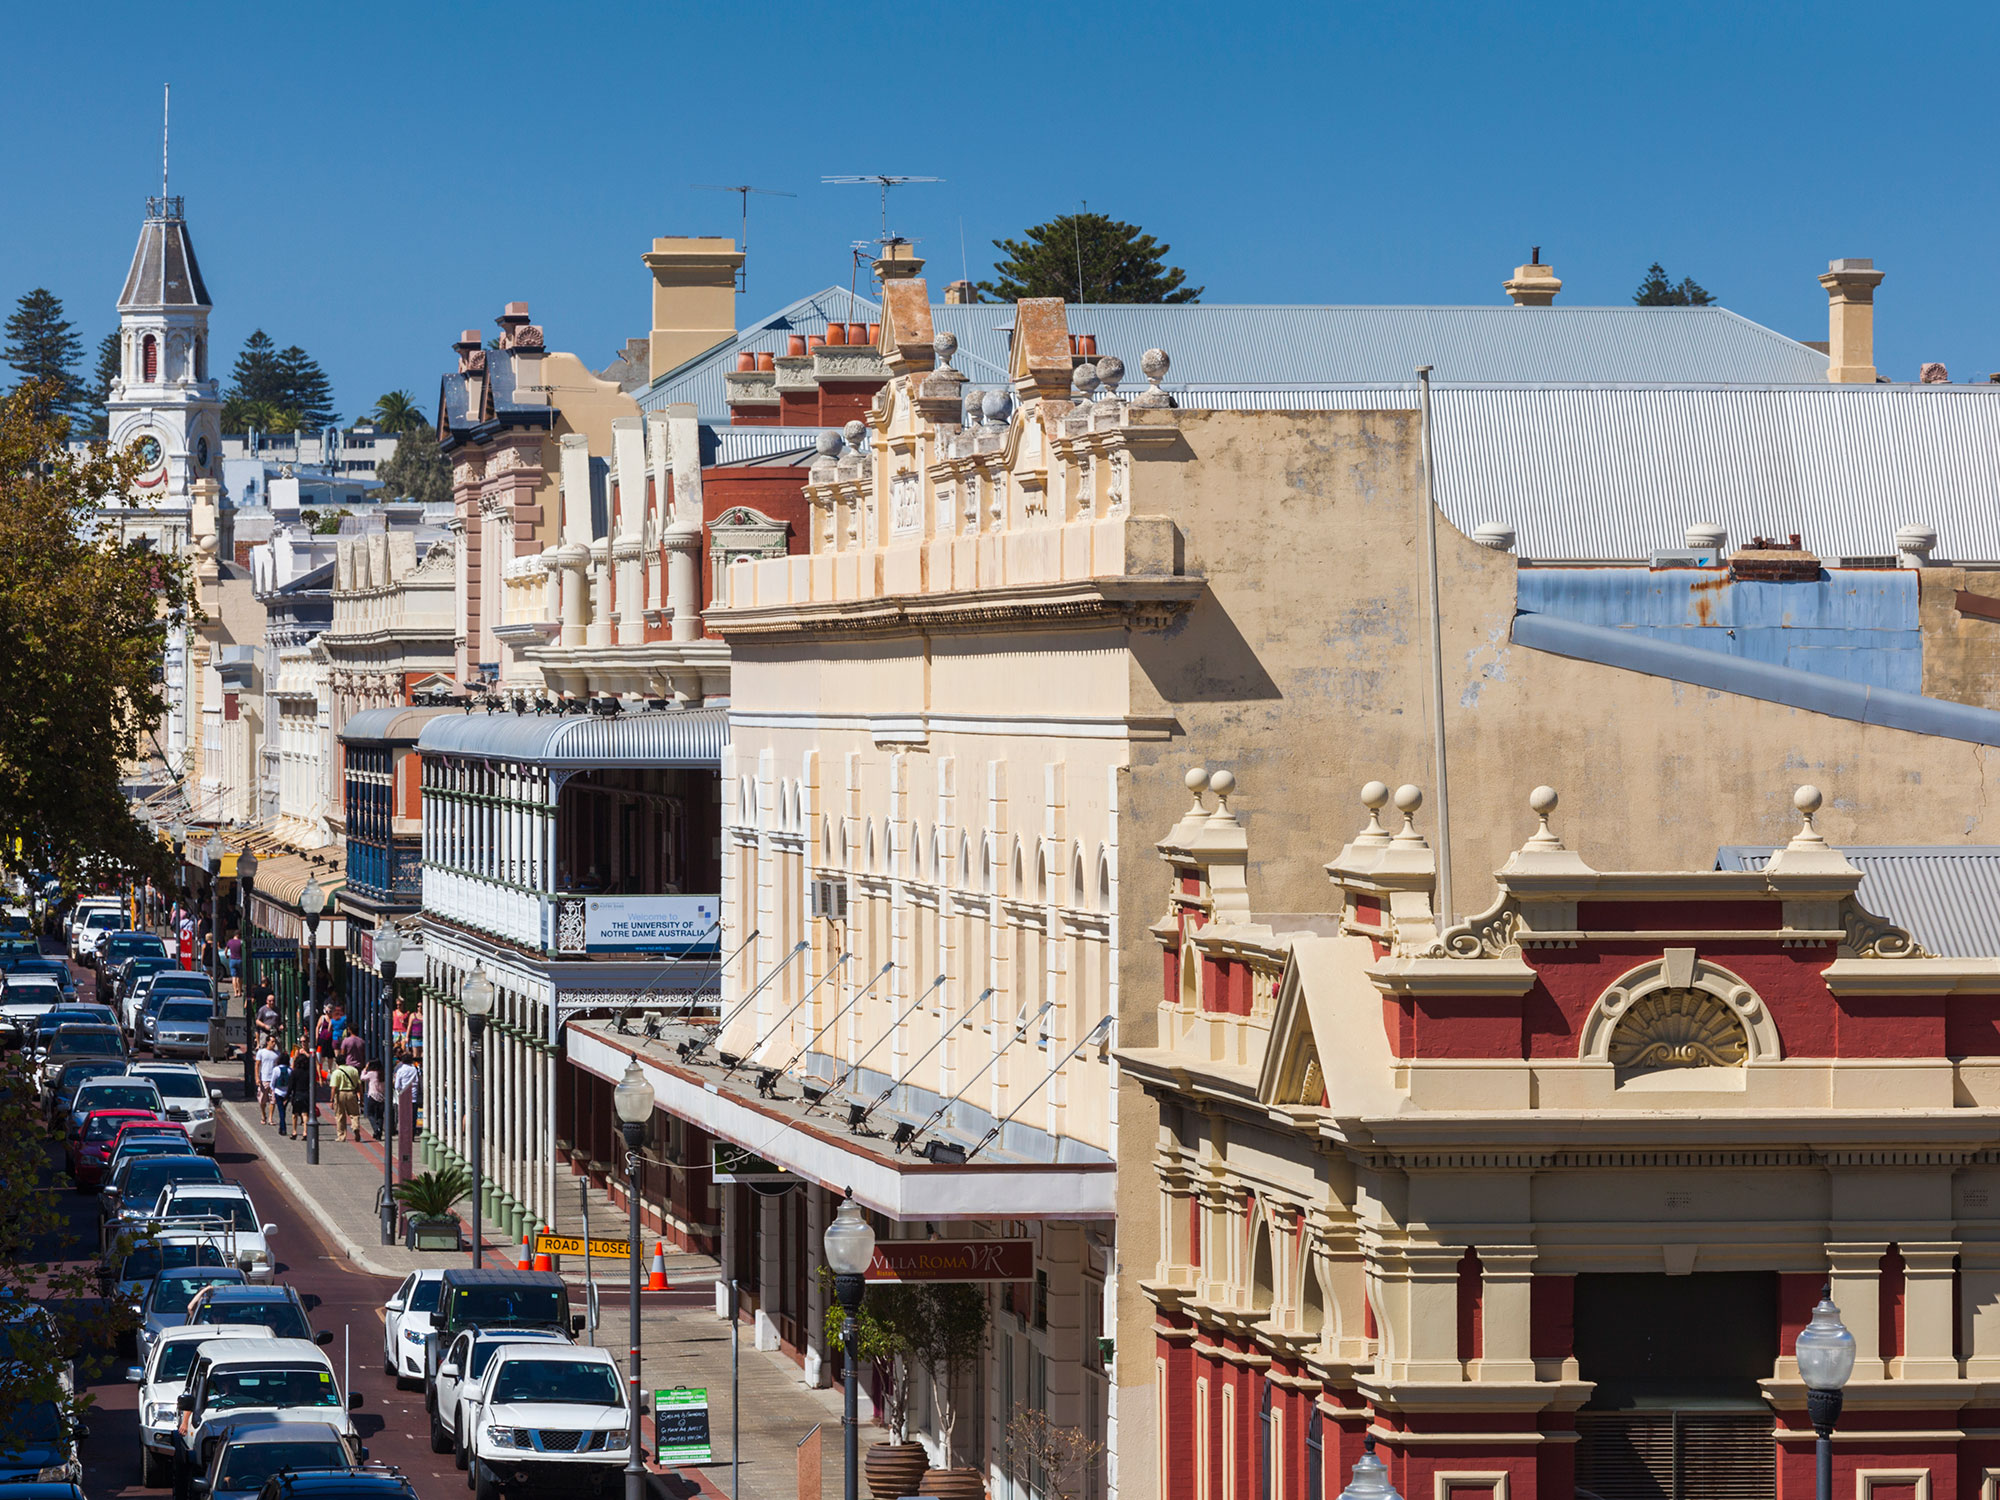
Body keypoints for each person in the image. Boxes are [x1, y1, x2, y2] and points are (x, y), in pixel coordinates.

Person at [329, 1055, 362, 1142]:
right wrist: (361, 1098)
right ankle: (355, 1127)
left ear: (337, 1063)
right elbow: (359, 1085)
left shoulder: (336, 1072)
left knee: (340, 1115)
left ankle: (341, 1136)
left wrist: (331, 1100)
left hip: (340, 1093)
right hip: (352, 1093)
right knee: (354, 1114)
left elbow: (333, 1087)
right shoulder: (353, 1070)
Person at [255, 1038, 281, 1125]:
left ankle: (270, 1118)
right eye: (272, 1041)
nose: (274, 1043)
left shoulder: (277, 1054)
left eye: (275, 1042)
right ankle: (263, 1115)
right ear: (267, 1042)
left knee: (272, 1100)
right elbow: (257, 1065)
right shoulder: (261, 1052)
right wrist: (257, 1077)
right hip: (264, 1079)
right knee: (262, 1100)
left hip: (274, 1080)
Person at [360, 1055, 385, 1141]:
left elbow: (362, 1078)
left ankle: (376, 1128)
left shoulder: (371, 1073)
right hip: (382, 1097)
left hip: (373, 1096)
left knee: (370, 1114)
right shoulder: (383, 1073)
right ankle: (379, 1133)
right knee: (380, 1116)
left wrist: (364, 1069)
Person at [271, 1052, 294, 1137]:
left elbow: (273, 1081)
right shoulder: (290, 1070)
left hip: (278, 1092)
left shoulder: (276, 1069)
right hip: (287, 1093)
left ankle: (283, 1128)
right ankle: (281, 1128)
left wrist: (273, 1090)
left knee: (281, 1111)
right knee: (283, 1110)